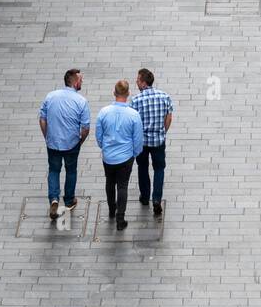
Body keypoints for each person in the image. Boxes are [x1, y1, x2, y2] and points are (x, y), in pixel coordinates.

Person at [39, 69, 91, 219]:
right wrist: (80, 141)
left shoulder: (50, 96)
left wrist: (47, 136)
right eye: (80, 80)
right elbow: (86, 128)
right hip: (71, 144)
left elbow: (42, 119)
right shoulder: (81, 101)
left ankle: (54, 199)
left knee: (54, 170)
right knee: (71, 171)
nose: (82, 82)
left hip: (53, 142)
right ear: (74, 82)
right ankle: (69, 200)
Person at [95, 82, 143, 231]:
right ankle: (120, 218)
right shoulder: (133, 115)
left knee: (110, 182)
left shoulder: (103, 112)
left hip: (108, 157)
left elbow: (98, 135)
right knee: (123, 186)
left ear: (113, 93)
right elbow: (138, 139)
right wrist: (134, 153)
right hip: (125, 157)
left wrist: (104, 147)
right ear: (128, 93)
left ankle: (111, 209)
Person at [131, 69, 174, 216]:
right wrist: (163, 131)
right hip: (158, 141)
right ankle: (156, 199)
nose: (136, 82)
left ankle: (144, 197)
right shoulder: (164, 96)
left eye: (138, 80)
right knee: (159, 169)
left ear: (143, 82)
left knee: (142, 168)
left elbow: (133, 123)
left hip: (142, 142)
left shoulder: (136, 101)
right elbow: (169, 118)